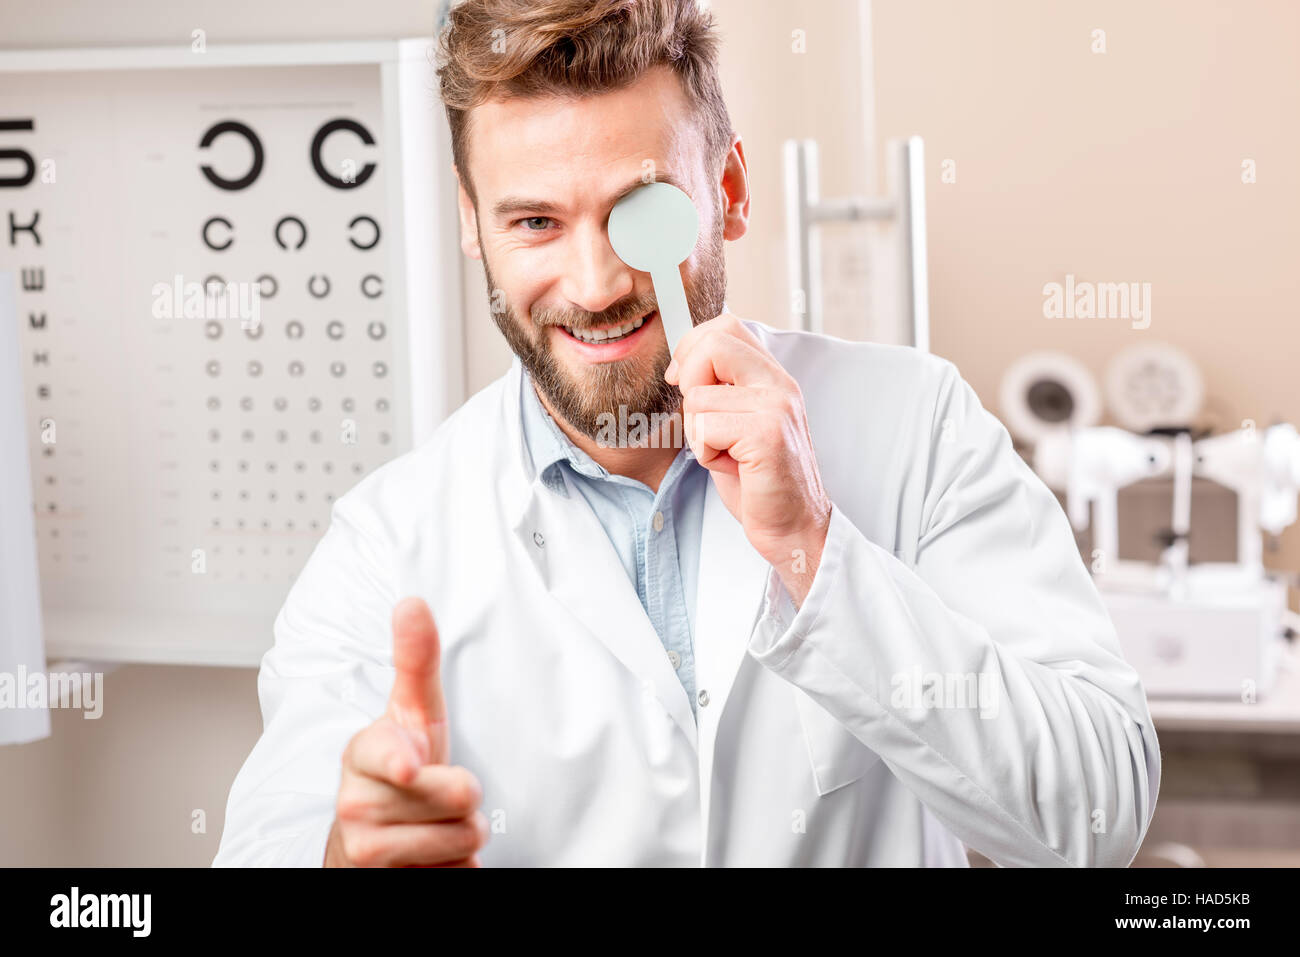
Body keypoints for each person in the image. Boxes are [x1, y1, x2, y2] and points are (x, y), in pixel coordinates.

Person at [214, 0, 1160, 868]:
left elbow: (1097, 816)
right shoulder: (389, 542)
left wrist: (814, 553)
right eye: (535, 222)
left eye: (640, 210)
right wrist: (347, 856)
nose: (593, 284)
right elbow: (267, 849)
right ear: (473, 223)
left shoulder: (916, 424)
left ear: (730, 191)